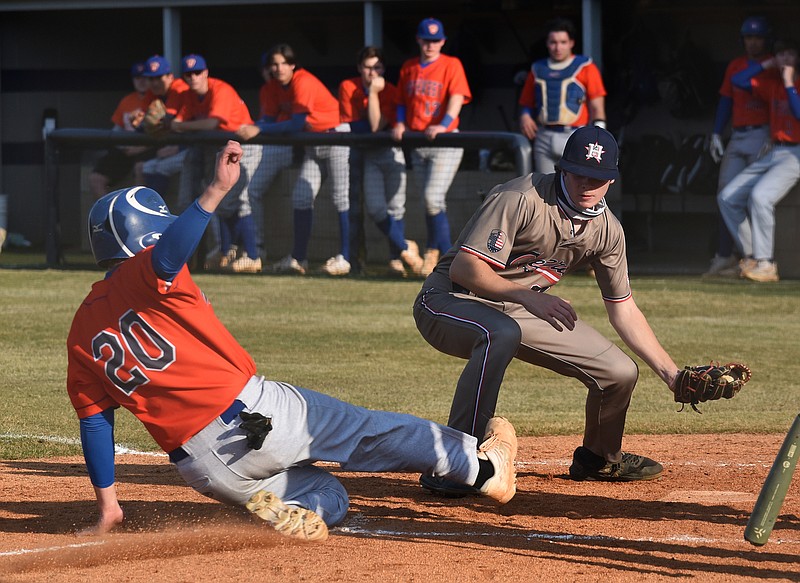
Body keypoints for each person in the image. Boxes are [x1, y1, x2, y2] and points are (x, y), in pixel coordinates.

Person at [67, 140, 518, 542]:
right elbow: (167, 256)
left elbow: (95, 424)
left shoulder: (82, 331)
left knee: (328, 492)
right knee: (376, 432)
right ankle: (483, 470)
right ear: (144, 236)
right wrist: (216, 190)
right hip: (256, 415)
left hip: (205, 469)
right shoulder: (146, 271)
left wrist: (109, 506)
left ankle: (302, 512)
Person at [413, 126, 679, 498]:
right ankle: (457, 462)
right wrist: (528, 297)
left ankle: (599, 457)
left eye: (598, 178)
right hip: (451, 300)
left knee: (619, 373)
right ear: (562, 170)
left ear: (612, 180)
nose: (588, 184)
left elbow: (624, 309)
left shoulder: (607, 230)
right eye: (579, 173)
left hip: (517, 309)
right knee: (501, 332)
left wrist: (672, 374)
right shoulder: (519, 197)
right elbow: (465, 270)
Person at [237, 44, 351, 276]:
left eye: (282, 64)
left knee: (341, 197)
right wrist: (255, 127)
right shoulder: (274, 87)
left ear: (292, 65)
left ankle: (347, 257)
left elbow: (296, 123)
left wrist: (260, 130)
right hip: (313, 145)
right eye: (273, 65)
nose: (278, 69)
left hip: (335, 136)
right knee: (301, 196)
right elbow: (268, 119)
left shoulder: (302, 81)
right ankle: (299, 259)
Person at [392, 17, 472, 277]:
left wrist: (444, 124)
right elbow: (401, 100)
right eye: (427, 40)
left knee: (432, 198)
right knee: (431, 203)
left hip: (445, 141)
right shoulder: (409, 67)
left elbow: (457, 98)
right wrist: (401, 123)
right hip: (418, 142)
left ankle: (447, 258)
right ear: (418, 40)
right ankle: (433, 254)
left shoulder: (451, 64)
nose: (431, 45)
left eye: (436, 40)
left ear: (443, 41)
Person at [169, 53, 263, 274]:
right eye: (188, 74)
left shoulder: (220, 89)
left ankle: (253, 255)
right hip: (221, 148)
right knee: (222, 202)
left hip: (244, 146)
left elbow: (210, 123)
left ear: (206, 73)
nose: (193, 77)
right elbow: (177, 120)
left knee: (236, 201)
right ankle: (227, 251)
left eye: (197, 72)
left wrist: (179, 127)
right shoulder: (190, 96)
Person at [718, 38, 800, 283]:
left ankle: (766, 263)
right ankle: (753, 257)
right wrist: (768, 64)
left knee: (760, 196)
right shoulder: (773, 83)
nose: (785, 59)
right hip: (775, 150)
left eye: (790, 54)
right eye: (781, 54)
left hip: (796, 153)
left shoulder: (789, 84)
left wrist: (788, 83)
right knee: (727, 196)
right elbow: (738, 82)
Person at [339, 46, 423, 277]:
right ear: (359, 68)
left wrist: (375, 94)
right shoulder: (349, 86)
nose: (372, 72)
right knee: (376, 209)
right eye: (367, 67)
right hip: (370, 155)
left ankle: (395, 260)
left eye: (377, 67)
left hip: (392, 152)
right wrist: (372, 94)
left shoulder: (391, 90)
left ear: (383, 68)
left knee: (396, 208)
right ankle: (407, 248)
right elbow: (363, 127)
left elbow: (375, 126)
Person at [704, 16, 774, 278]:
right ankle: (726, 256)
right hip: (739, 133)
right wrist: (715, 132)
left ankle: (756, 258)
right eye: (748, 38)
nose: (752, 43)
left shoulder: (775, 67)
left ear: (767, 39)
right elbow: (726, 98)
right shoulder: (737, 64)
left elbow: (744, 83)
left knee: (754, 196)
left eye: (757, 38)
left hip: (763, 134)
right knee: (725, 195)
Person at [517, 17, 608, 174]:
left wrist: (599, 138)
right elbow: (527, 102)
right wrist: (525, 116)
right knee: (544, 190)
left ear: (571, 43)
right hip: (544, 134)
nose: (558, 47)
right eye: (553, 42)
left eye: (563, 42)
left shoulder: (585, 67)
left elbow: (597, 106)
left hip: (575, 134)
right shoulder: (537, 68)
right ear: (547, 43)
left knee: (576, 187)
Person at [87, 61, 154, 198]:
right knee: (95, 178)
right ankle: (110, 214)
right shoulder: (127, 101)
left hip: (149, 150)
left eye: (144, 78)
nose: (141, 81)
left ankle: (140, 214)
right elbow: (116, 130)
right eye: (137, 78)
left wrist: (140, 148)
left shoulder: (157, 100)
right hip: (126, 150)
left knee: (140, 170)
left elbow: (164, 134)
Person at [136, 55, 190, 203]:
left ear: (170, 77)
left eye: (159, 78)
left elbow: (171, 122)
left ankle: (153, 209)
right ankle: (143, 208)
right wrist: (139, 120)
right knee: (146, 167)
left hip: (194, 147)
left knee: (162, 167)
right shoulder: (153, 94)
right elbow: (143, 125)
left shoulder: (180, 89)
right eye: (151, 79)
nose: (155, 83)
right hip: (177, 147)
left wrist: (178, 148)